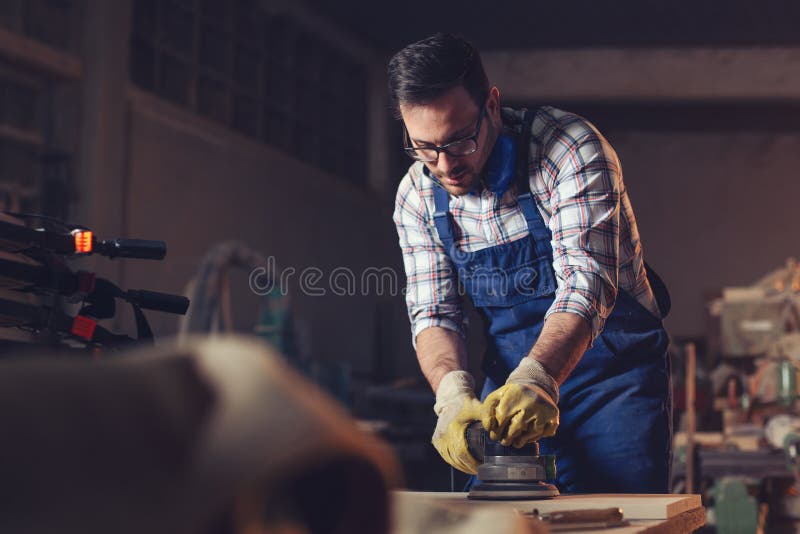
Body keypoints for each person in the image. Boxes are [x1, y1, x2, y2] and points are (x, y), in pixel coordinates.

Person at [389, 33, 672, 493]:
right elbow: (434, 312)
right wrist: (452, 393)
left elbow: (586, 281)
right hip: (508, 398)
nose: (444, 165)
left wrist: (538, 378)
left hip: (612, 386)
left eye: (459, 140)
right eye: (424, 147)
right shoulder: (416, 195)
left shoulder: (569, 149)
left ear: (493, 106)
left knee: (620, 516)